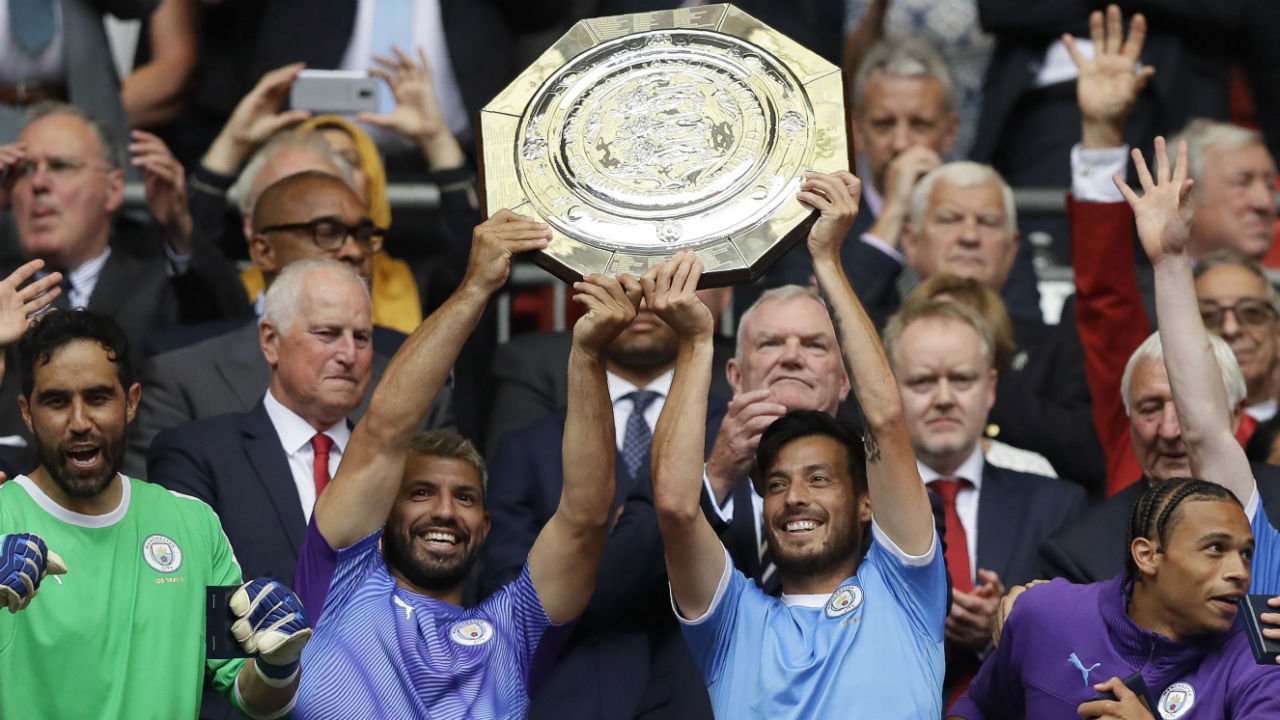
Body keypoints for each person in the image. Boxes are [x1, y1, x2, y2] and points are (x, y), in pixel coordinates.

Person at [291, 210, 632, 718]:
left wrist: (588, 354)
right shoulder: (340, 584)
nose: (446, 511)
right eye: (421, 492)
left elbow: (585, 519)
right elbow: (384, 431)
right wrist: (476, 288)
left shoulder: (516, 630)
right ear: (381, 515)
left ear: (486, 525)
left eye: (465, 498)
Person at [649, 169, 944, 717]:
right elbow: (674, 505)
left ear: (867, 503)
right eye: (777, 485)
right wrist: (695, 342)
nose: (795, 497)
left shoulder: (906, 594)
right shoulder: (732, 623)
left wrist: (829, 261)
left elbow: (884, 419)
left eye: (820, 478)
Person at [0, 309, 310, 718]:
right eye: (57, 401)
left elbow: (251, 697)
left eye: (98, 397)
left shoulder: (193, 523)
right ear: (27, 413)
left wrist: (278, 664)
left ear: (131, 402)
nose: (79, 422)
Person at [1067, 6, 1279, 495]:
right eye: (1210, 314)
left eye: (1252, 312)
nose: (1231, 329)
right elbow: (1105, 295)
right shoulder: (1146, 415)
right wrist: (1101, 134)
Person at [123, 171, 452, 478]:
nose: (354, 250)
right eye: (327, 233)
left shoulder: (417, 382)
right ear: (264, 251)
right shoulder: (182, 378)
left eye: (364, 236)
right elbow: (154, 513)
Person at [883, 298, 1085, 706]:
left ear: (991, 387)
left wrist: (1002, 628)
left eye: (961, 379)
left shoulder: (1055, 506)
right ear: (888, 388)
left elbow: (1082, 650)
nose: (943, 398)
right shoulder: (860, 508)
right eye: (922, 381)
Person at [949, 479, 1280, 719]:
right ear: (1147, 555)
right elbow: (978, 707)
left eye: (1246, 554)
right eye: (1215, 548)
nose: (1240, 572)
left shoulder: (1261, 655)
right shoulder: (1046, 612)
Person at [148, 258, 373, 583]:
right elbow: (187, 588)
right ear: (270, 341)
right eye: (327, 334)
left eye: (362, 337)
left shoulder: (395, 463)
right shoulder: (198, 455)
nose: (350, 355)